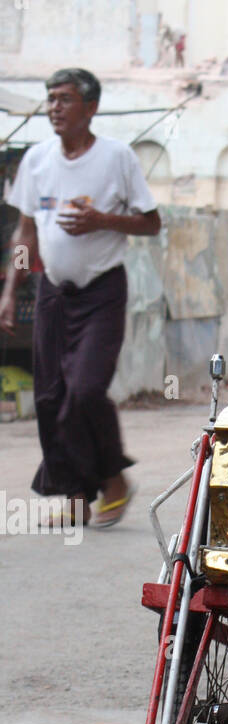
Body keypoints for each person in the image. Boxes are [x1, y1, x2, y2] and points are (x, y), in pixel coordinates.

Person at [0, 67, 161, 526]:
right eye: (50, 98)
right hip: (54, 291)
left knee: (85, 389)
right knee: (50, 397)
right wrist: (11, 289)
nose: (54, 107)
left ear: (90, 108)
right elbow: (25, 230)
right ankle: (73, 498)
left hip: (102, 291)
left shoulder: (118, 157)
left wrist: (104, 221)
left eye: (65, 99)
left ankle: (113, 479)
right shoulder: (36, 159)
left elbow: (151, 222)